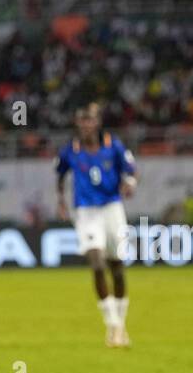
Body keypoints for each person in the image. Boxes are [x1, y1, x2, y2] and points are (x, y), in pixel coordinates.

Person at [55, 102, 138, 347]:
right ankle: (112, 325)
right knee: (97, 263)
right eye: (81, 120)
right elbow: (59, 176)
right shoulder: (70, 150)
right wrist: (60, 201)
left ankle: (121, 325)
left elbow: (131, 171)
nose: (86, 125)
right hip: (86, 211)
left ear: (98, 122)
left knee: (118, 267)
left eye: (90, 119)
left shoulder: (114, 146)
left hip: (112, 208)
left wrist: (130, 184)